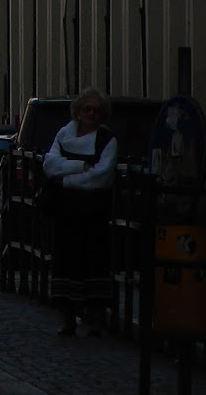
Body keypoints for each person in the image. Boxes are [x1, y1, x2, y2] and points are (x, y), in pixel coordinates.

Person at [41, 87, 118, 336]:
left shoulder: (107, 140)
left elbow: (101, 176)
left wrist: (67, 180)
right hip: (66, 210)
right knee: (66, 261)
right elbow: (50, 164)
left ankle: (95, 316)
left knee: (93, 261)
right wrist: (80, 166)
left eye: (96, 110)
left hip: (93, 210)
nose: (91, 114)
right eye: (87, 109)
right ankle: (68, 316)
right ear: (79, 110)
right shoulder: (64, 134)